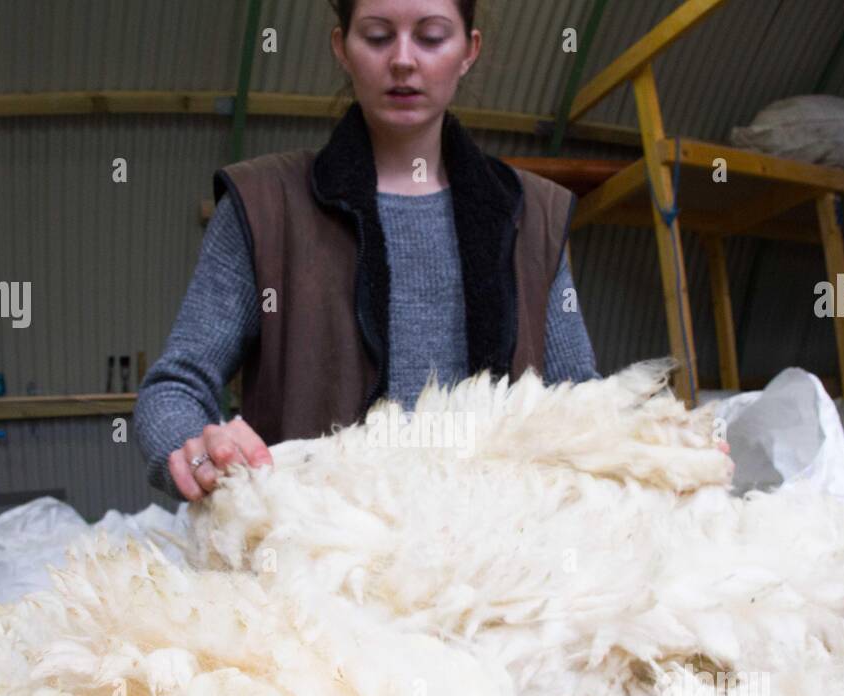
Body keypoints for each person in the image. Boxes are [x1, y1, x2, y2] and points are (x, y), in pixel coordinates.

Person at [135, 0, 599, 502]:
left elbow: (583, 402)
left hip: (491, 556)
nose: (403, 59)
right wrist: (197, 449)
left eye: (432, 36)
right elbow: (174, 388)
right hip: (317, 558)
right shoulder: (265, 204)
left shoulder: (532, 216)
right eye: (377, 36)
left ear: (469, 50)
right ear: (343, 48)